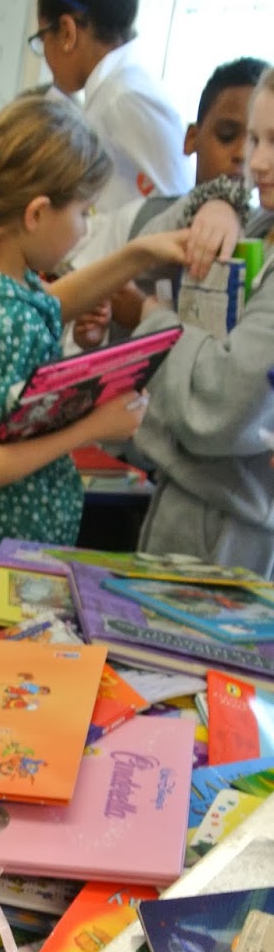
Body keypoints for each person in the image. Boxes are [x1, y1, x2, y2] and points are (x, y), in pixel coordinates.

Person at [0, 93, 190, 553]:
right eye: (82, 213)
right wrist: (92, 426)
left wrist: (137, 254)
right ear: (36, 214)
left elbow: (44, 304)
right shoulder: (7, 318)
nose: (86, 229)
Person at [129, 66, 274, 575]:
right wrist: (219, 202)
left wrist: (154, 322)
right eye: (254, 139)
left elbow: (222, 403)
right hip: (191, 508)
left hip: (238, 537)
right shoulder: (261, 223)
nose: (254, 162)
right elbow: (139, 258)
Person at [71, 56, 266, 347]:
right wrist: (90, 334)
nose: (242, 154)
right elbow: (79, 305)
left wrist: (144, 316)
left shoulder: (262, 240)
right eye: (227, 136)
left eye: (255, 141)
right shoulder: (137, 219)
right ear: (191, 139)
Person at [30, 0, 191, 214]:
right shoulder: (108, 92)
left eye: (43, 38)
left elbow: (180, 208)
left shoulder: (125, 96)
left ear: (67, 32)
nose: (45, 55)